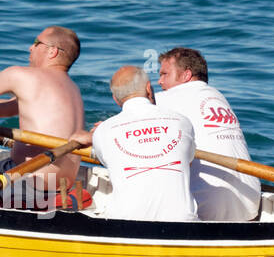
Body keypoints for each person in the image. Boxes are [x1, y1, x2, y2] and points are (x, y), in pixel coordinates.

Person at [0, 26, 85, 195]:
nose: (30, 47)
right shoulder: (72, 88)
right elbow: (7, 108)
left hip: (29, 179)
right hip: (62, 186)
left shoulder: (21, 75)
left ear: (52, 51)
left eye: (37, 43)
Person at [154, 47, 260, 221]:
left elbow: (125, 123)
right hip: (249, 203)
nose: (159, 81)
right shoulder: (218, 96)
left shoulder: (171, 97)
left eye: (165, 74)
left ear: (186, 75)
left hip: (208, 204)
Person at [82, 66, 197, 222]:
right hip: (182, 222)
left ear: (115, 99)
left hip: (124, 223)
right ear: (149, 88)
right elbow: (187, 163)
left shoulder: (103, 130)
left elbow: (110, 161)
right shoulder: (182, 121)